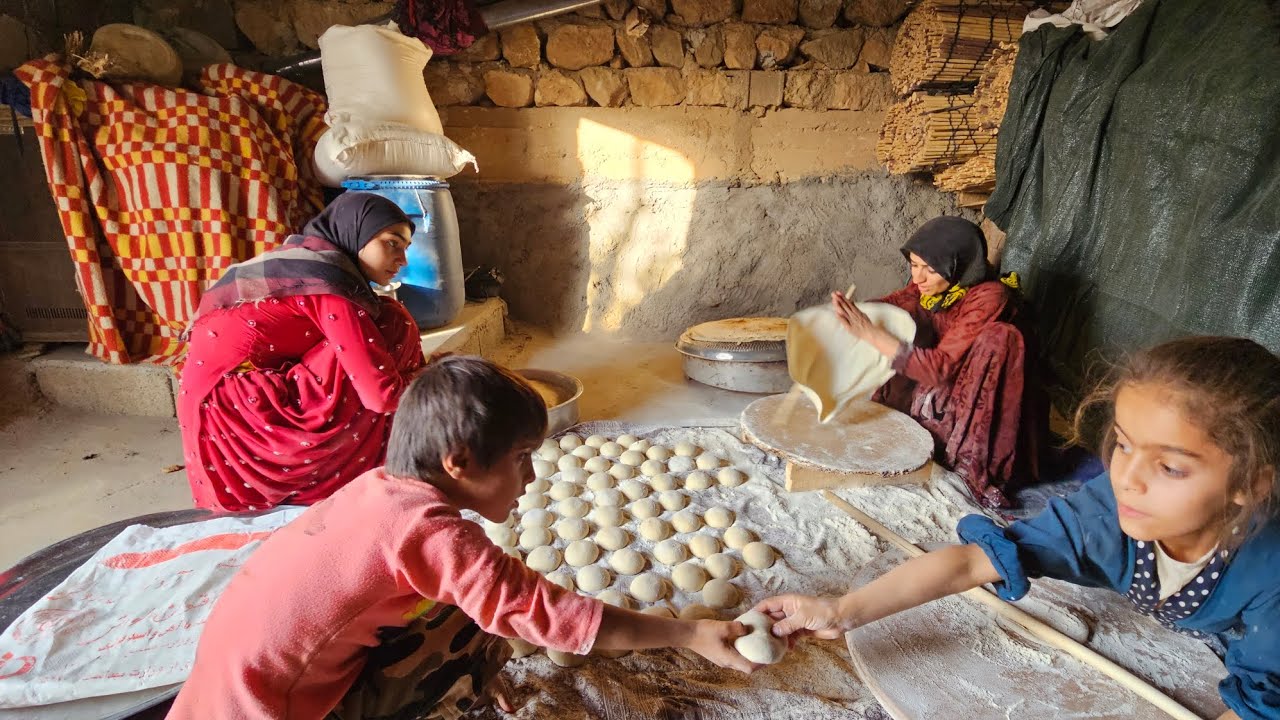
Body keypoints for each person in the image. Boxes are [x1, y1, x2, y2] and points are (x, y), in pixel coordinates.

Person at [168, 356, 758, 720]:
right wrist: (692, 632)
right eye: (523, 458)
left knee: (467, 612)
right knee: (490, 614)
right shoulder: (428, 534)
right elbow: (554, 616)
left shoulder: (379, 489)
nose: (532, 476)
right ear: (458, 462)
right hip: (272, 709)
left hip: (224, 687)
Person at [757, 336, 1280, 720]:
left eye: (1170, 467)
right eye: (1122, 444)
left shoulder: (1271, 576)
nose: (1128, 479)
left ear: (1253, 485)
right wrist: (841, 610)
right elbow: (969, 562)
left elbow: (1265, 702)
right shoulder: (1104, 516)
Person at [177, 192, 426, 512]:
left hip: (216, 395)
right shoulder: (328, 283)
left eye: (405, 248)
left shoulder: (309, 262)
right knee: (393, 327)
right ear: (356, 232)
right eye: (392, 243)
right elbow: (381, 396)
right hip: (231, 414)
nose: (402, 260)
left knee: (380, 320)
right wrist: (429, 379)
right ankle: (388, 460)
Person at [831, 216, 1044, 508]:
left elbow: (940, 368)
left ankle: (970, 465)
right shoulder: (931, 288)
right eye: (914, 265)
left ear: (958, 265)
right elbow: (899, 302)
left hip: (977, 396)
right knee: (903, 322)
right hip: (939, 382)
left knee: (1001, 337)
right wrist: (859, 312)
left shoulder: (990, 297)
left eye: (929, 270)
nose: (918, 278)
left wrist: (872, 334)